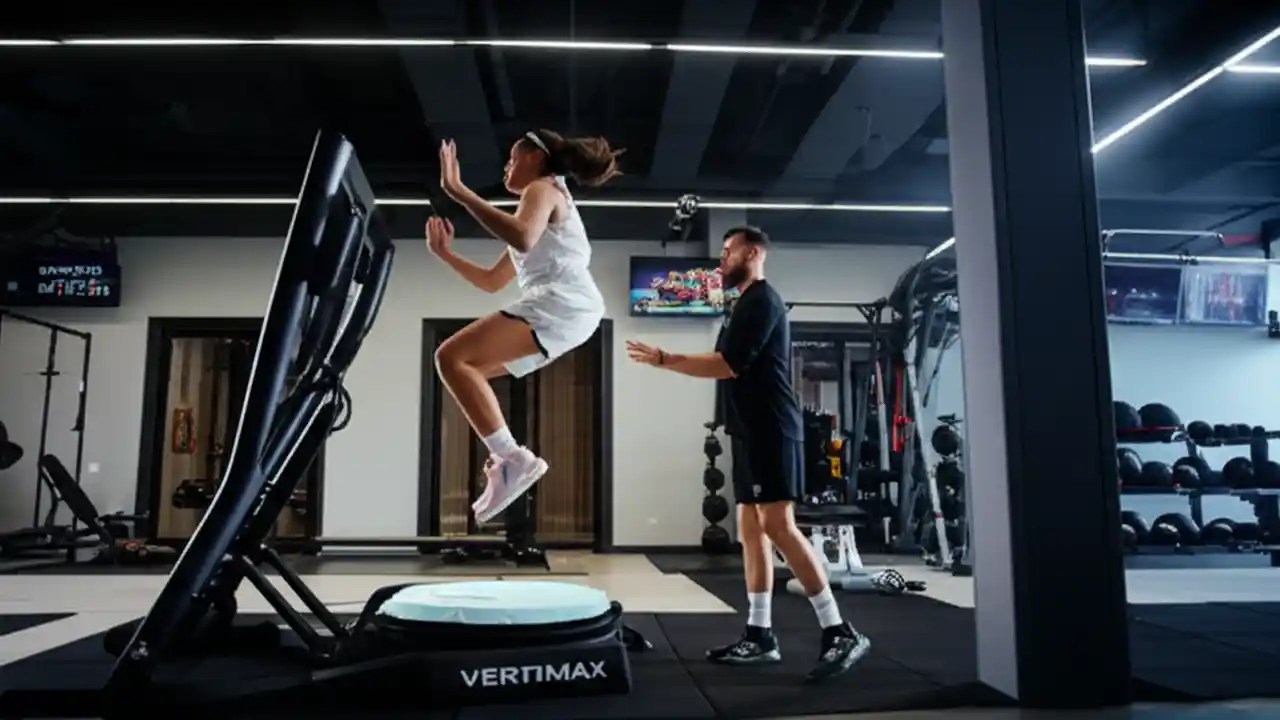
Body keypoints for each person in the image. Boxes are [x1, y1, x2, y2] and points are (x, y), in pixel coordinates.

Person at [625, 226, 870, 683]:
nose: (722, 258)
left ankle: (841, 631)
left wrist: (664, 358)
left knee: (777, 525)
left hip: (772, 428)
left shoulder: (762, 300)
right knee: (750, 529)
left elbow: (727, 365)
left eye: (728, 250)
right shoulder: (741, 305)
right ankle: (760, 635)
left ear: (752, 253)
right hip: (747, 429)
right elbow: (728, 368)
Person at [427, 130, 619, 524]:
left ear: (535, 157)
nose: (506, 167)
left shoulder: (543, 188)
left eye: (512, 159)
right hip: (571, 309)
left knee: (450, 356)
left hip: (563, 301)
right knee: (466, 369)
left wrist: (460, 191)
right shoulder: (539, 204)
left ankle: (513, 458)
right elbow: (492, 282)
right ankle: (507, 459)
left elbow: (522, 237)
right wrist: (446, 255)